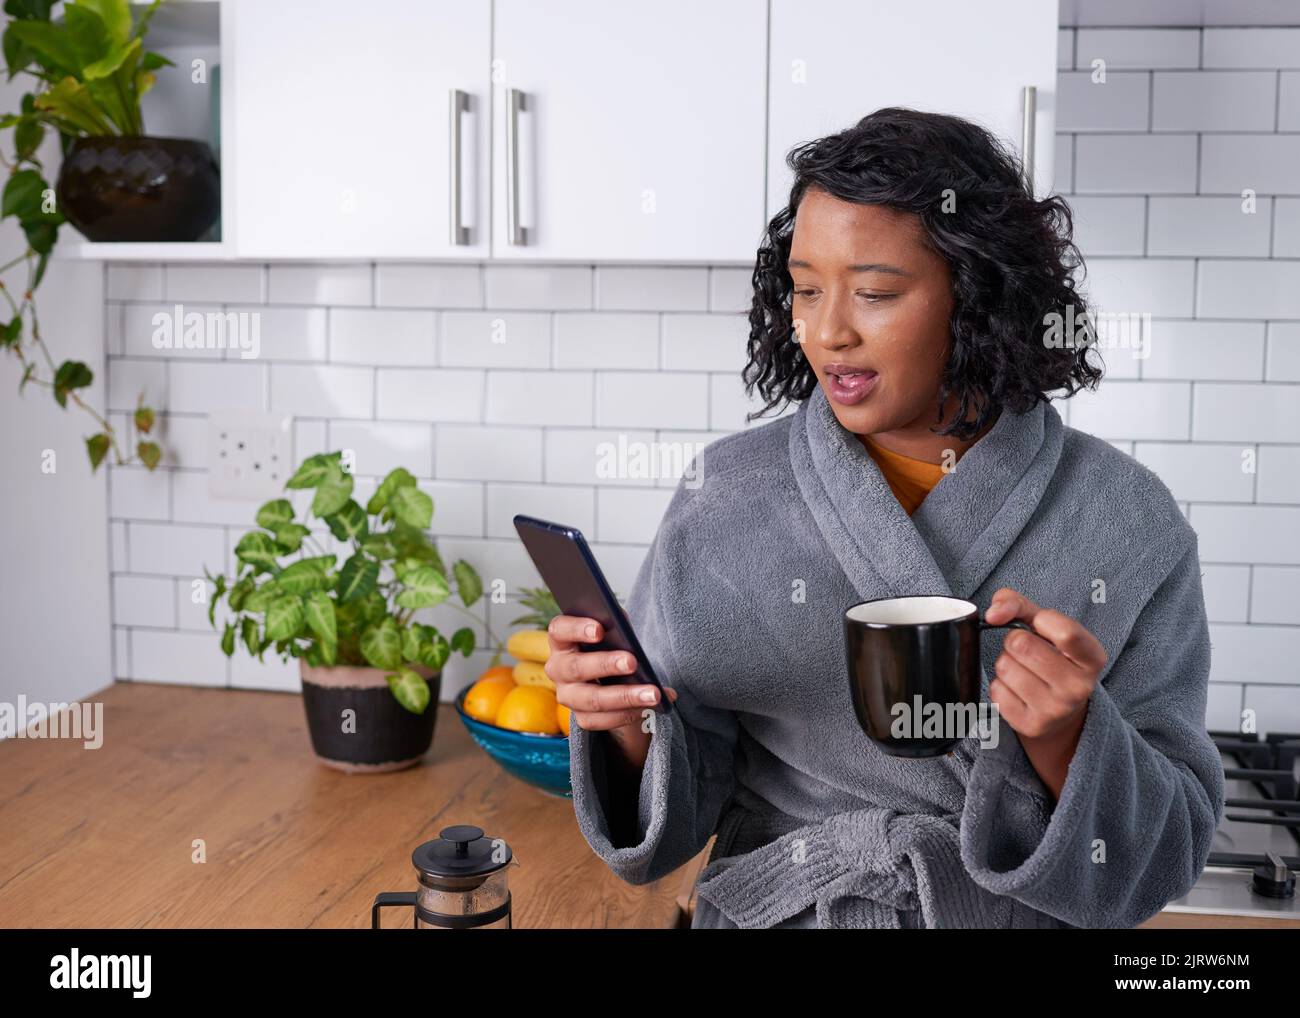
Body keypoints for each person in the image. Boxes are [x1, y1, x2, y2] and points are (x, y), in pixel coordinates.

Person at [547, 107, 1225, 929]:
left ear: (978, 296)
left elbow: (1168, 851)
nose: (827, 332)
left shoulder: (1127, 519)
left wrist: (1069, 740)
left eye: (874, 292)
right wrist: (622, 728)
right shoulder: (722, 495)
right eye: (803, 290)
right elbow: (676, 809)